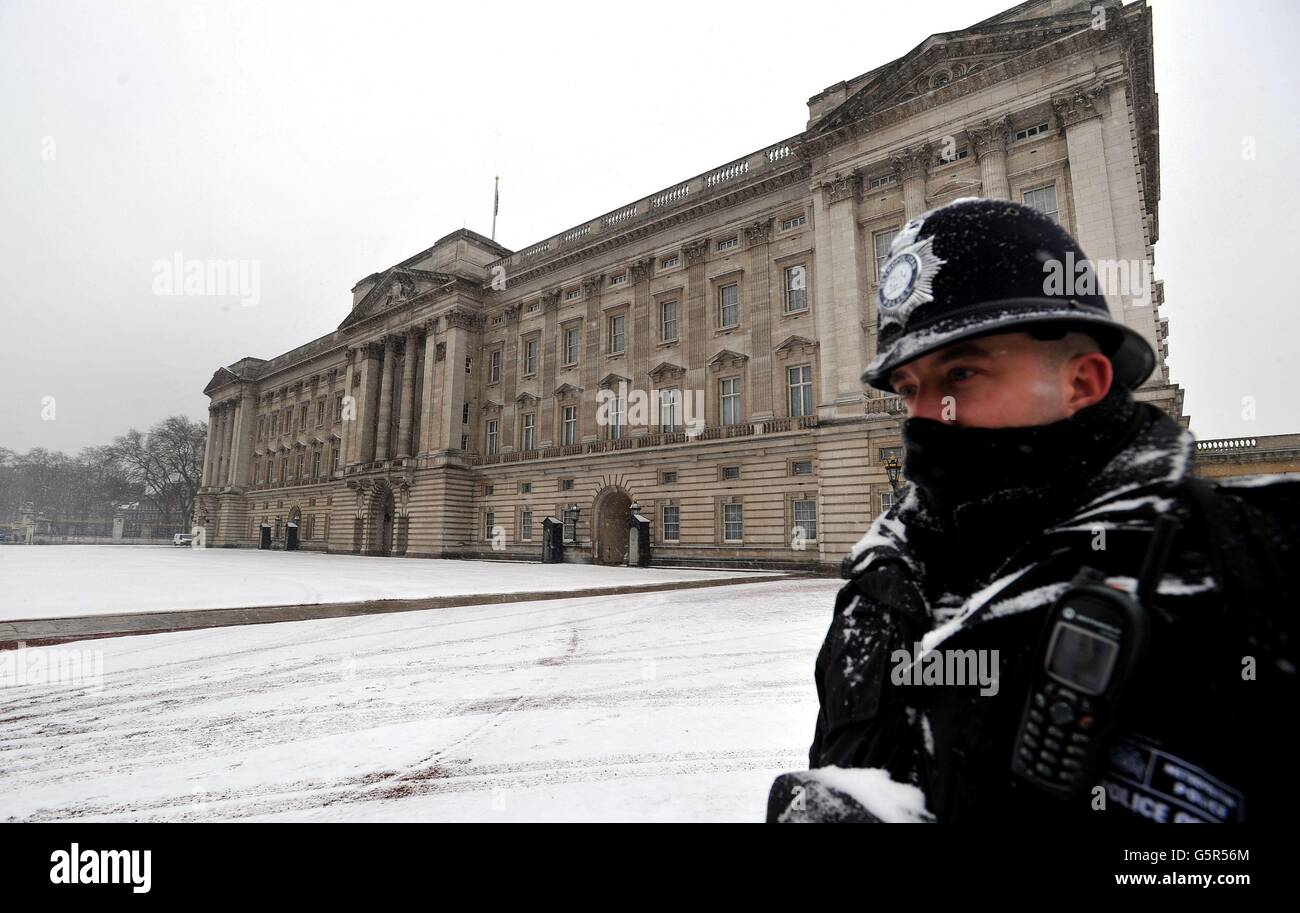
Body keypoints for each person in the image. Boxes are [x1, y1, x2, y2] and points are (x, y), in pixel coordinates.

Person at [806, 198, 1297, 823]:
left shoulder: (1261, 565)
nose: (926, 417)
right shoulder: (879, 586)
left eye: (961, 374)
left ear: (1084, 383)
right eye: (909, 390)